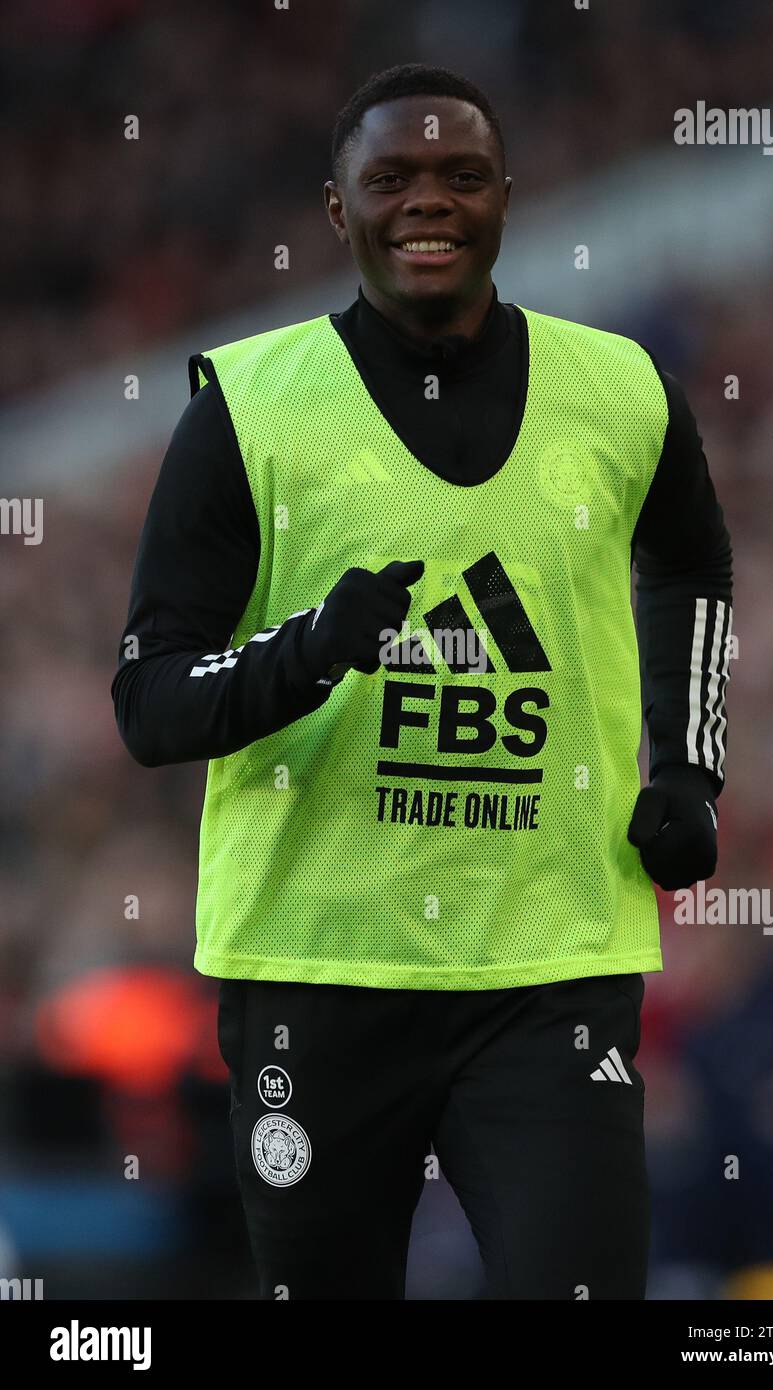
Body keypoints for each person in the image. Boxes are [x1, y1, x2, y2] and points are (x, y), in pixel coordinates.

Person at [112, 62, 733, 1301]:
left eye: (458, 176)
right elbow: (150, 700)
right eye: (389, 178)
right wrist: (309, 648)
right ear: (338, 209)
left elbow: (691, 561)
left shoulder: (621, 390)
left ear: (507, 194)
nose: (426, 203)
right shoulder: (245, 407)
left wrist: (690, 763)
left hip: (547, 958)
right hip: (316, 967)